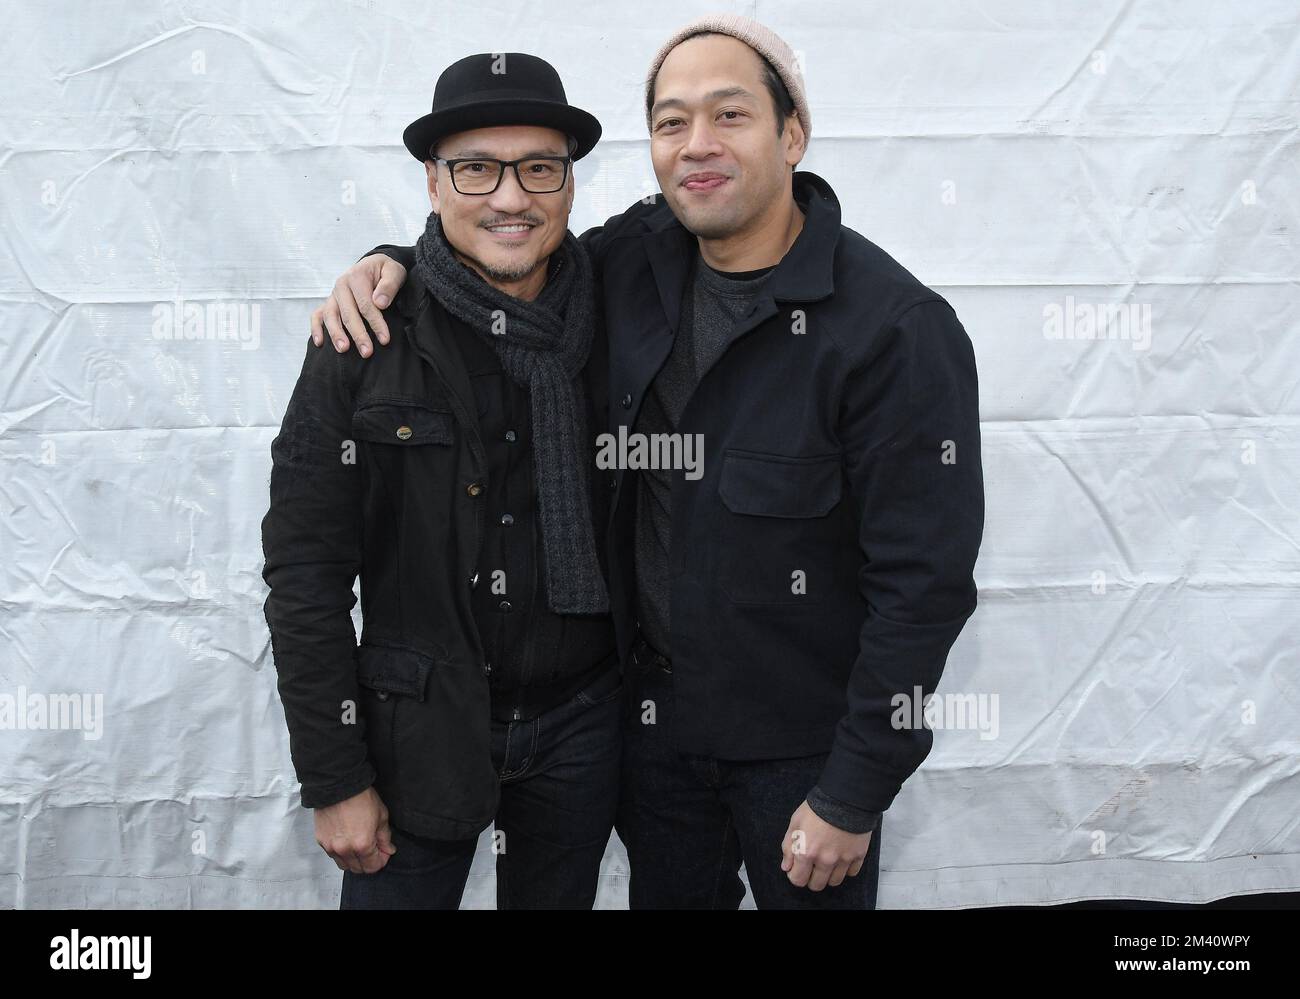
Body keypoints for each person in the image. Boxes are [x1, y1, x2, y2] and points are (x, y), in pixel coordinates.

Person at [310, 15, 985, 909]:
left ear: (793, 132)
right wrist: (388, 263)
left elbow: (923, 586)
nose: (696, 145)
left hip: (804, 756)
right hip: (649, 739)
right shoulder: (631, 262)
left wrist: (854, 789)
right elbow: (498, 255)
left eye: (729, 115)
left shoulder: (896, 330)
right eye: (671, 122)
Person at [261, 52, 623, 910]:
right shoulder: (363, 338)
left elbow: (726, 211)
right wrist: (334, 777)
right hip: (413, 734)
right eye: (475, 168)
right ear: (432, 183)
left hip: (583, 727)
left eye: (539, 167)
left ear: (570, 183)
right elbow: (304, 573)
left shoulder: (622, 311)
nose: (509, 196)